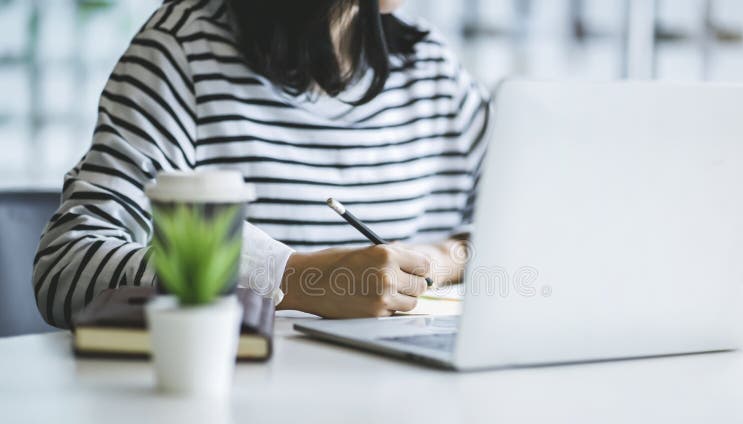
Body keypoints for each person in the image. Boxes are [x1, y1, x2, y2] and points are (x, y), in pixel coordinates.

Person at [33, 0, 491, 328]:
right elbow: (67, 268)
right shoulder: (182, 52)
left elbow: (522, 234)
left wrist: (437, 260)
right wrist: (294, 280)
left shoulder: (434, 68)